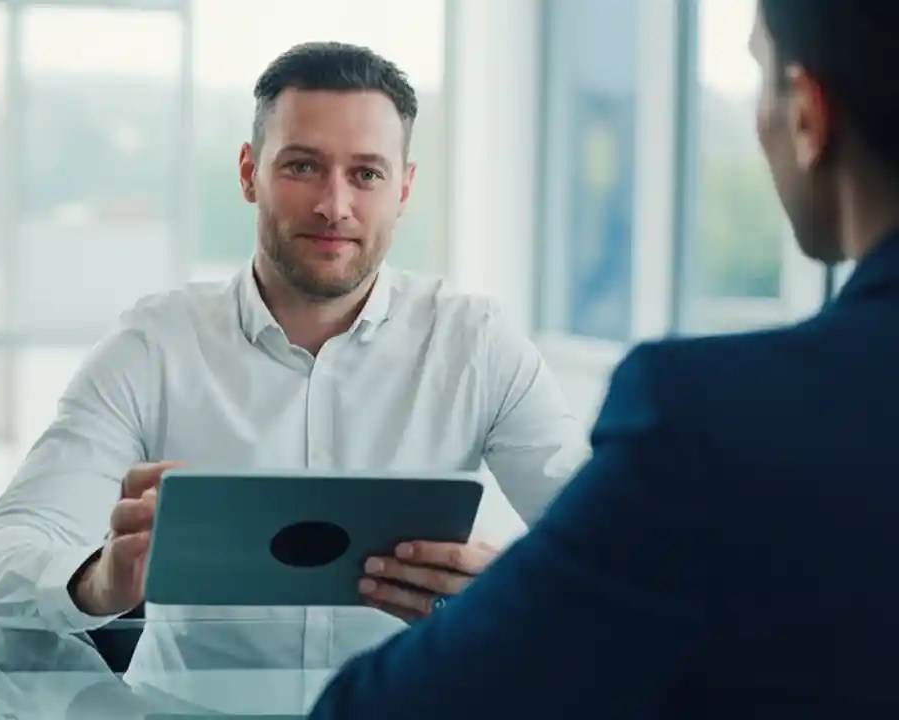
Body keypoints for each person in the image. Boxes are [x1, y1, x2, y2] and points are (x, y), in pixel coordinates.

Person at [310, 1, 899, 717]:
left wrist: (509, 602)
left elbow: (383, 708)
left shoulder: (709, 425)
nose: (334, 204)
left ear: (808, 113)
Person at [0, 41, 587, 689]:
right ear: (247, 172)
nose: (333, 205)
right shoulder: (156, 345)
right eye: (303, 166)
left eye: (366, 174)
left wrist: (508, 588)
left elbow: (615, 549)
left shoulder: (477, 343)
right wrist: (99, 580)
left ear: (404, 187)